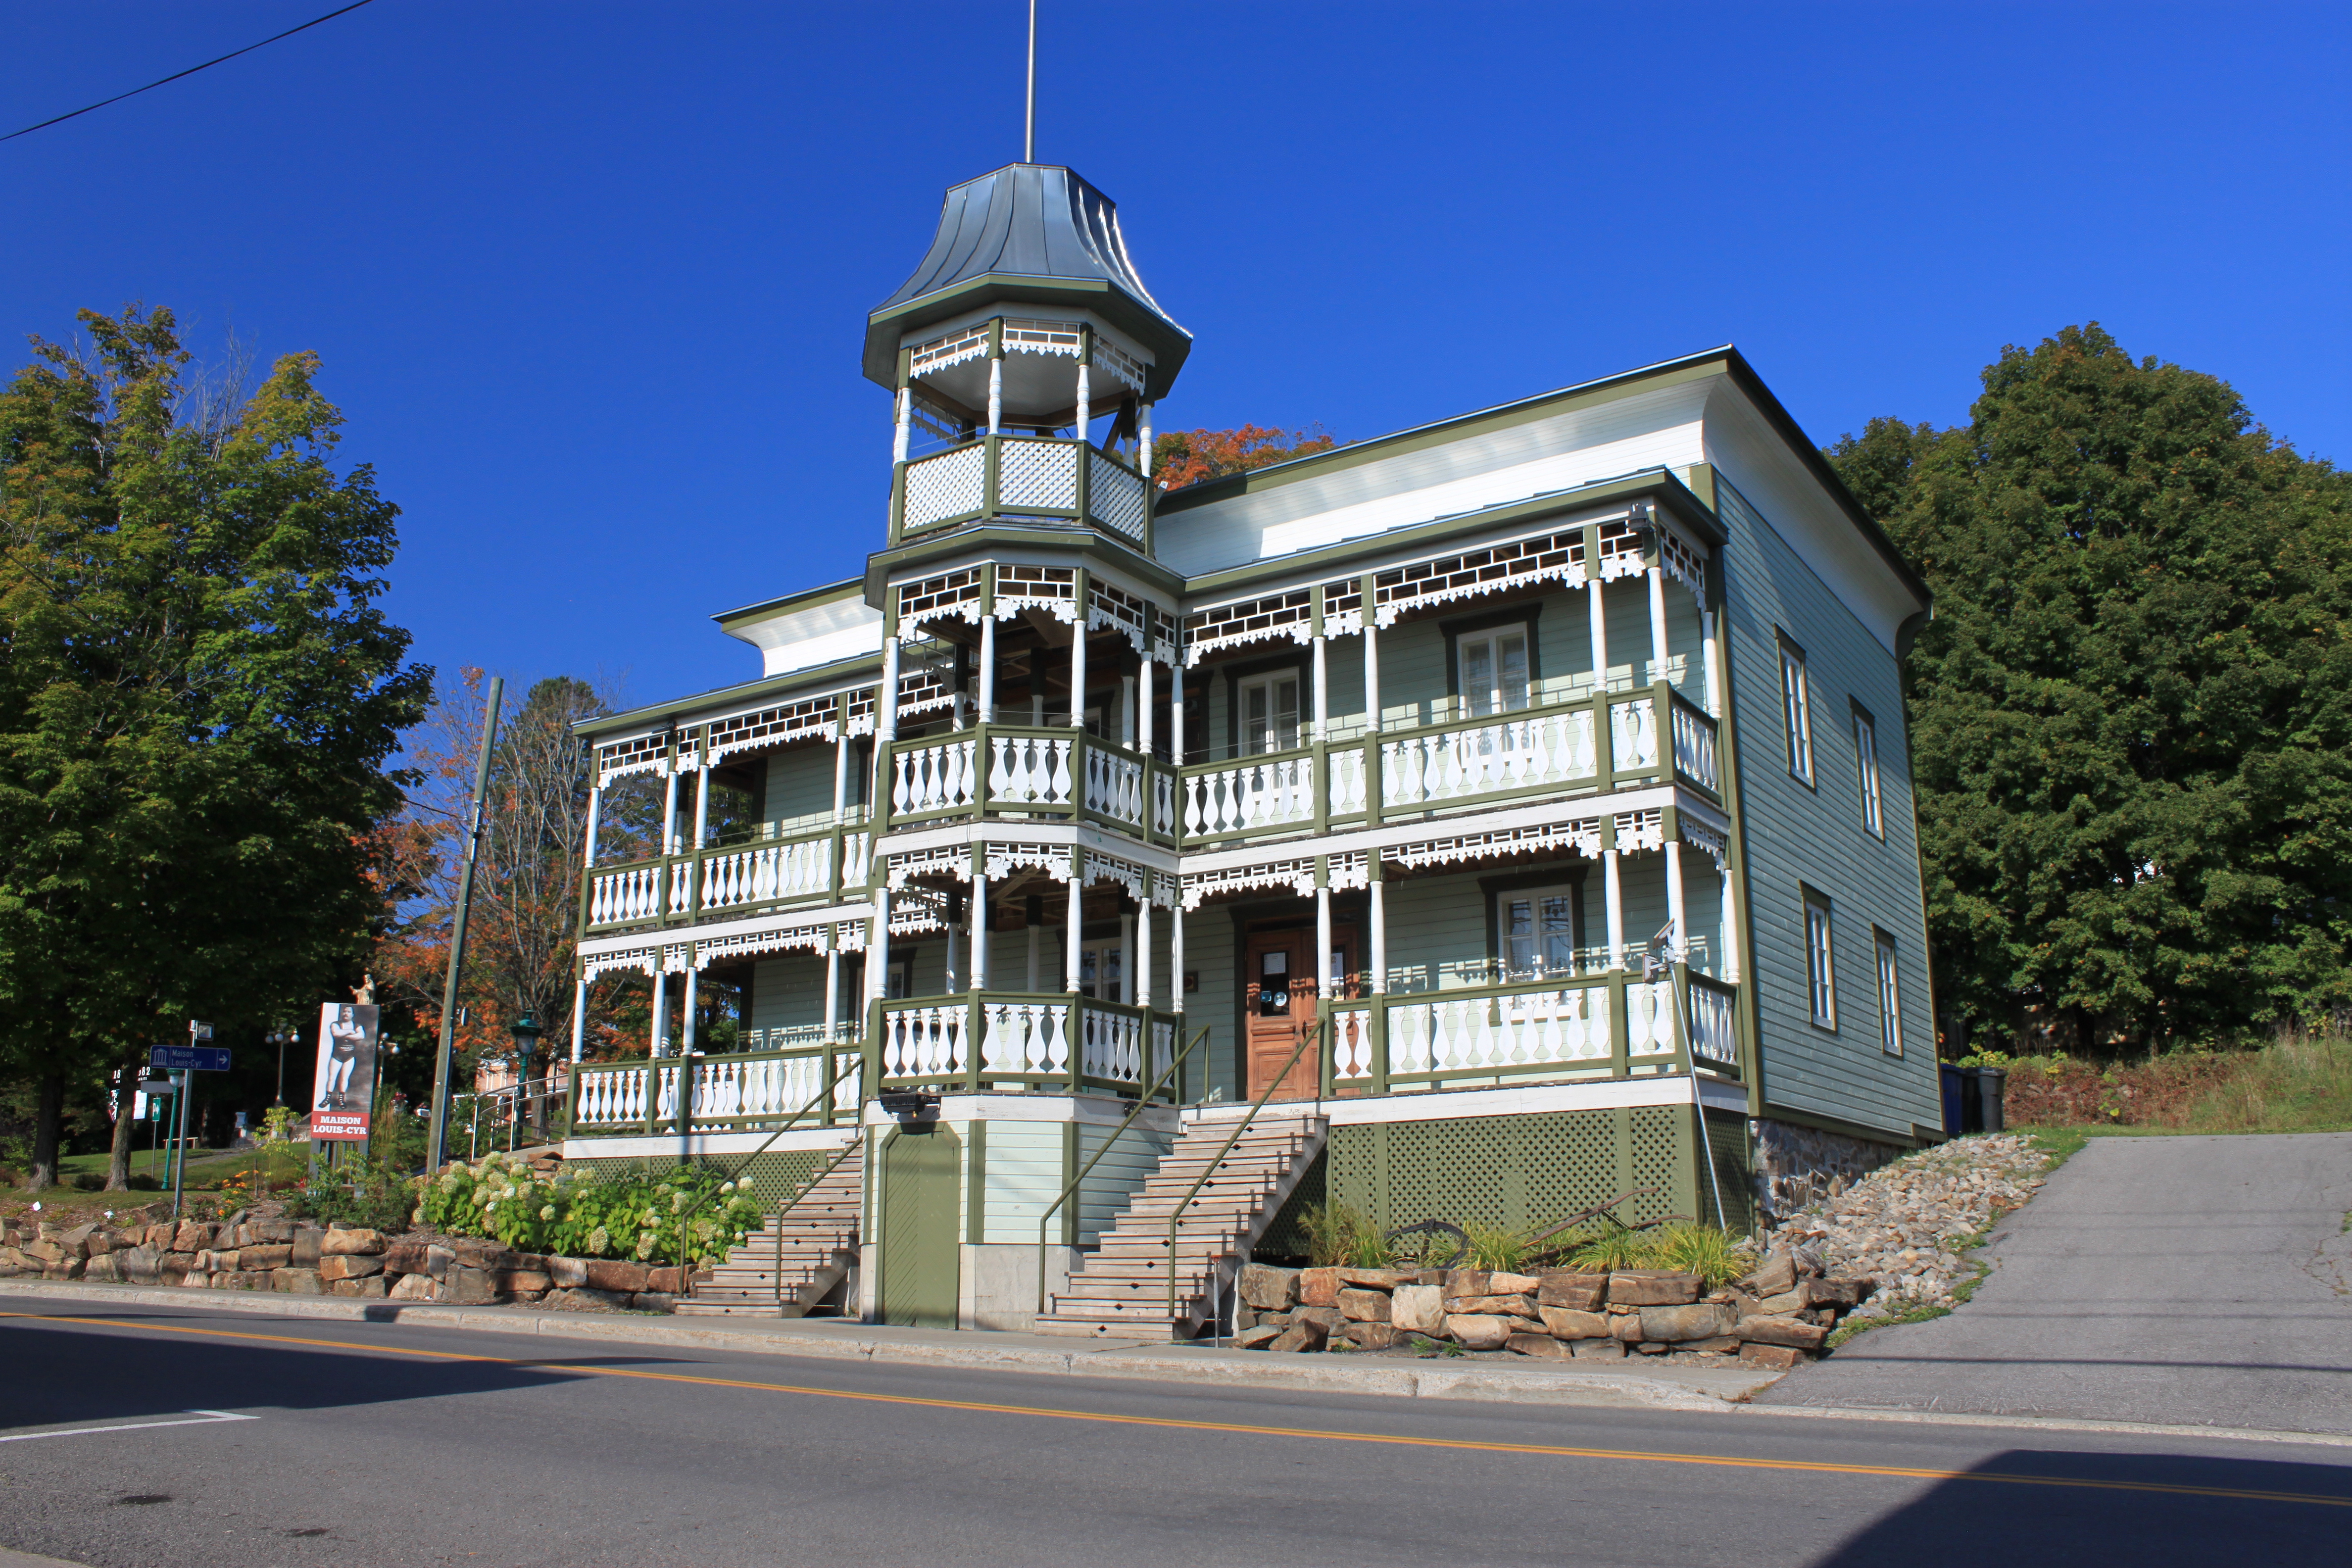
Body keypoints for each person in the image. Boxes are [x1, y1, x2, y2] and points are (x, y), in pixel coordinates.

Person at [323, 1006, 365, 1107]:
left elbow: (361, 1036)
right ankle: (328, 1098)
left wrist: (345, 1035)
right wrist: (350, 1032)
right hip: (337, 1055)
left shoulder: (357, 1025)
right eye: (344, 1011)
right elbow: (336, 1033)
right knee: (332, 1078)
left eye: (349, 1012)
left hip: (350, 1056)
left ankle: (341, 1099)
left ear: (352, 1015)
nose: (346, 1013)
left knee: (344, 1078)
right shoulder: (336, 1024)